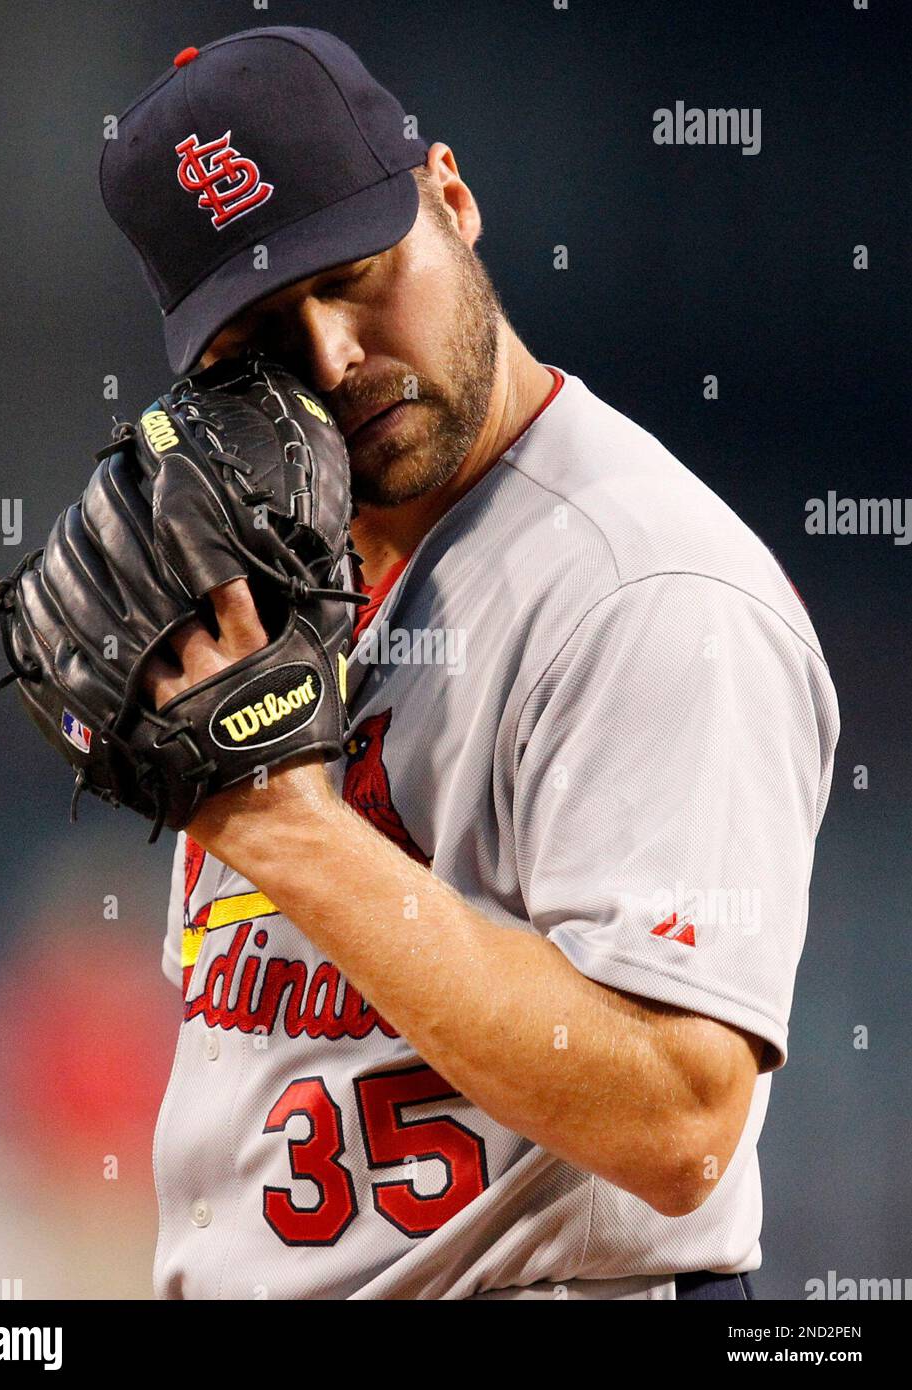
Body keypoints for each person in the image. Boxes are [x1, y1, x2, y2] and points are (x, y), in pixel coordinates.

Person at [100, 26, 839, 1300]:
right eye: (264, 338)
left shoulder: (643, 586)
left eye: (356, 272)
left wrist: (283, 829)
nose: (332, 357)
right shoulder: (271, 576)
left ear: (452, 196)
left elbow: (679, 1125)